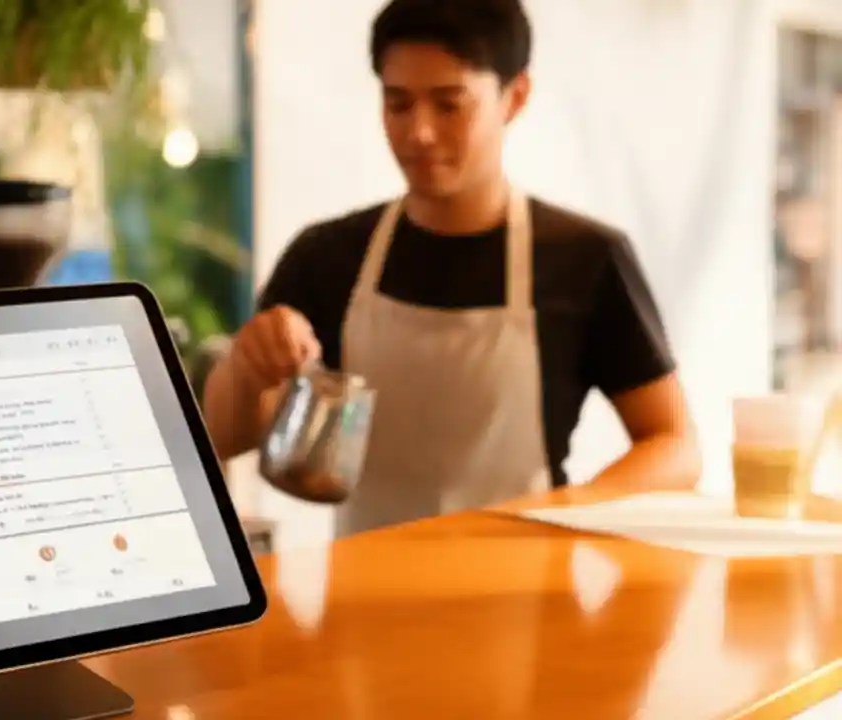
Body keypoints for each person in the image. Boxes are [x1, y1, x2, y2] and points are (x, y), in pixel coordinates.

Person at [202, 0, 701, 537]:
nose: (419, 132)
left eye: (449, 104)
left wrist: (576, 510)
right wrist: (247, 370)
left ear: (515, 98)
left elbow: (674, 444)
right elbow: (225, 437)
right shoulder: (326, 255)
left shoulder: (586, 258)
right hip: (366, 594)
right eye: (398, 104)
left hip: (528, 591)